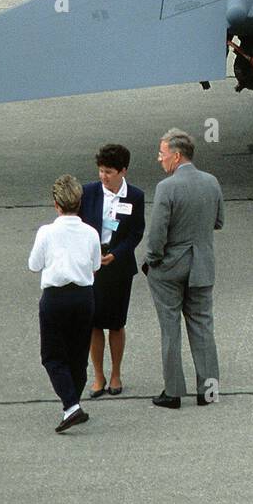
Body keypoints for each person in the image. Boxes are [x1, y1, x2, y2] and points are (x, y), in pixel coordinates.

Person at [144, 129, 224, 409]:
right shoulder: (211, 182)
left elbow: (157, 235)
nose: (159, 159)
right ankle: (208, 389)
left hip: (170, 268)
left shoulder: (166, 188)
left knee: (170, 328)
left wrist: (152, 260)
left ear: (176, 156)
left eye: (162, 154)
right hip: (202, 264)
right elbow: (218, 222)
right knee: (202, 325)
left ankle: (174, 391)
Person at [28, 175, 101, 434]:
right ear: (79, 203)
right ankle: (72, 404)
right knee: (78, 355)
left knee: (51, 355)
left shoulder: (47, 232)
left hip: (55, 298)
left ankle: (70, 405)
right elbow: (95, 265)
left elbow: (34, 265)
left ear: (56, 205)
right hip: (83, 297)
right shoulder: (91, 232)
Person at [79, 144, 145, 399]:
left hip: (118, 265)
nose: (103, 176)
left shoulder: (135, 196)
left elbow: (136, 232)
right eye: (101, 171)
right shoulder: (89, 192)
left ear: (123, 171)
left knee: (115, 324)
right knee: (94, 323)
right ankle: (98, 375)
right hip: (92, 265)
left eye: (109, 172)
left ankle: (116, 373)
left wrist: (116, 254)